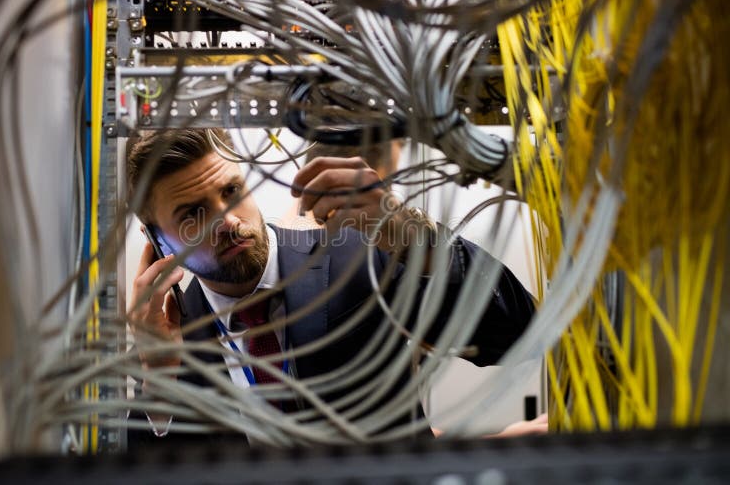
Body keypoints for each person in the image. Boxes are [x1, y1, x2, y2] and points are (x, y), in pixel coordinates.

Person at [125, 128, 537, 444]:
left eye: (231, 191)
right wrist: (159, 381)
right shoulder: (164, 346)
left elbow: (518, 336)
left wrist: (410, 236)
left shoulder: (355, 256)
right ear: (157, 240)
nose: (228, 221)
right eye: (194, 213)